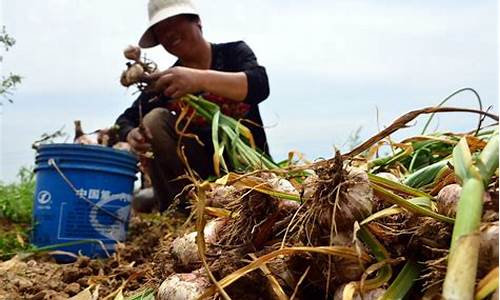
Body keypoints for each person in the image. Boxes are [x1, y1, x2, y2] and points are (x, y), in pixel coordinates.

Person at [115, 0, 270, 212]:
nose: (168, 33)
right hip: (201, 178)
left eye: (174, 22)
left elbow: (259, 85)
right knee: (154, 120)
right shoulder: (167, 82)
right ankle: (179, 212)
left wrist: (198, 80)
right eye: (161, 30)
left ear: (197, 22)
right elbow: (125, 119)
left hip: (249, 170)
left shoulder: (233, 53)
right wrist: (130, 132)